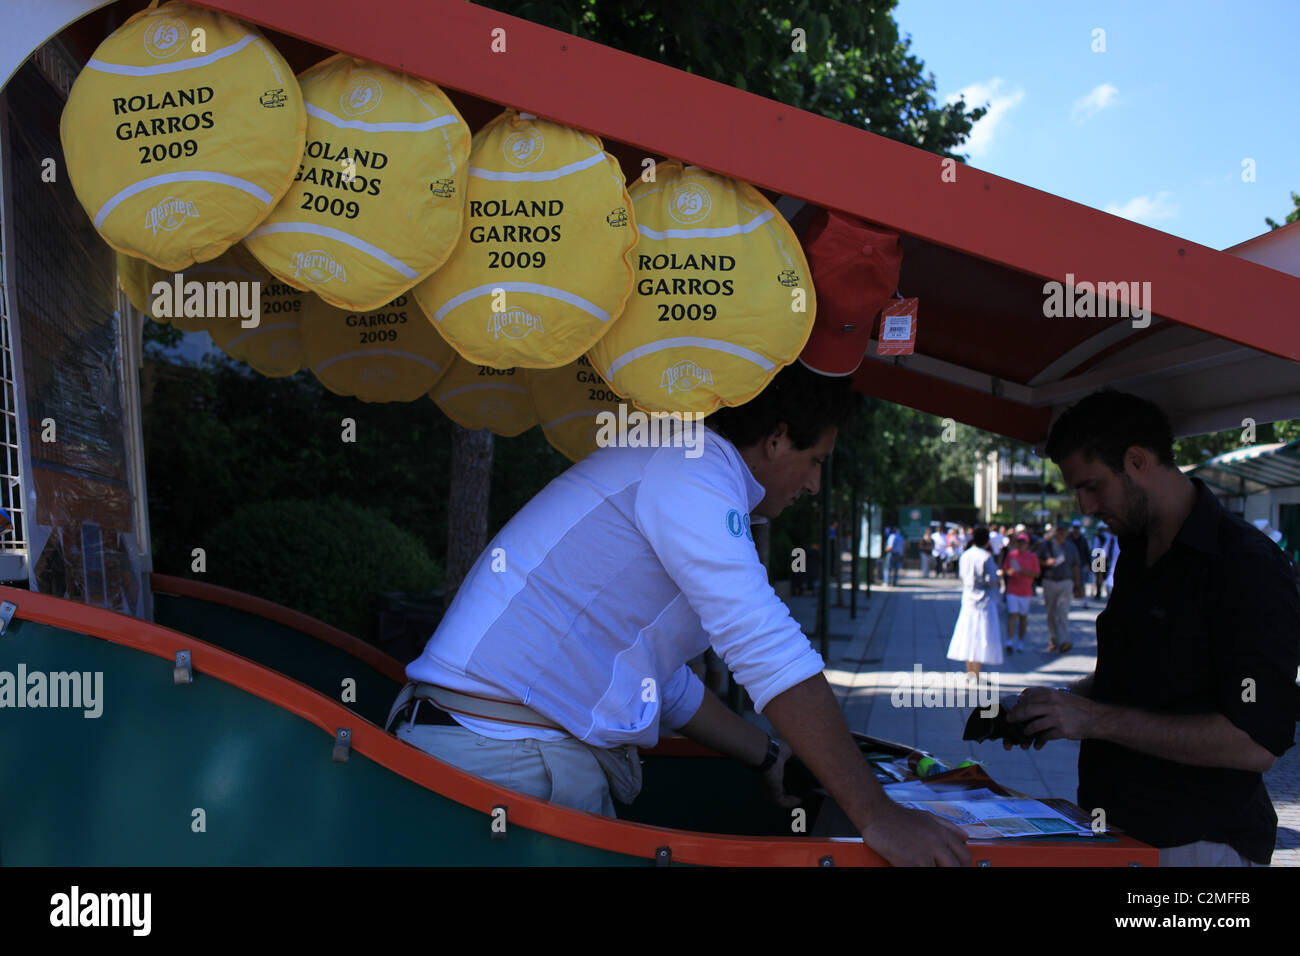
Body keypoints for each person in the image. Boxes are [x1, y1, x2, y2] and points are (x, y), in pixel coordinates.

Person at [388, 362, 969, 866]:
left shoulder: (682, 463)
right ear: (776, 438)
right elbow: (765, 646)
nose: (816, 484)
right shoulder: (694, 469)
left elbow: (655, 678)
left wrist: (768, 754)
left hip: (482, 742)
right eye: (817, 461)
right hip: (505, 754)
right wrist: (876, 815)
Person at [1009, 389, 1300, 866]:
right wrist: (1058, 701)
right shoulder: (1137, 549)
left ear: (1137, 460)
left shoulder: (1246, 565)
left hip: (1199, 845)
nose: (1084, 506)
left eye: (1093, 486)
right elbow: (1137, 673)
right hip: (1120, 834)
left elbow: (1255, 742)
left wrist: (1092, 719)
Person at [946, 526, 1002, 675]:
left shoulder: (965, 555)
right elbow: (990, 579)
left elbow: (962, 576)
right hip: (984, 602)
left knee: (968, 636)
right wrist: (999, 577)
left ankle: (969, 672)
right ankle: (976, 673)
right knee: (981, 637)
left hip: (968, 600)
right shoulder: (986, 556)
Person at [1036, 522, 1078, 653]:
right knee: (1051, 613)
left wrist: (1078, 584)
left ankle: (1065, 640)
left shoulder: (1071, 547)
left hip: (1066, 582)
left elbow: (1075, 565)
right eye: (1059, 530)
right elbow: (1035, 559)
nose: (1061, 533)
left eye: (1063, 531)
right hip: (1049, 581)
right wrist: (1045, 562)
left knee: (1063, 612)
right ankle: (1054, 639)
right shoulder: (1046, 545)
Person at [1001, 531, 1040, 654]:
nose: (1021, 545)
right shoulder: (1012, 555)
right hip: (1013, 589)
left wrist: (1023, 571)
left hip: (1026, 591)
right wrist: (1009, 572)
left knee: (1023, 617)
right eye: (1019, 542)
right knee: (1013, 614)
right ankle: (1009, 640)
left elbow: (1036, 573)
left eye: (1023, 542)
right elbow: (1005, 569)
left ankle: (1021, 641)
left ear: (1027, 544)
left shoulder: (1032, 557)